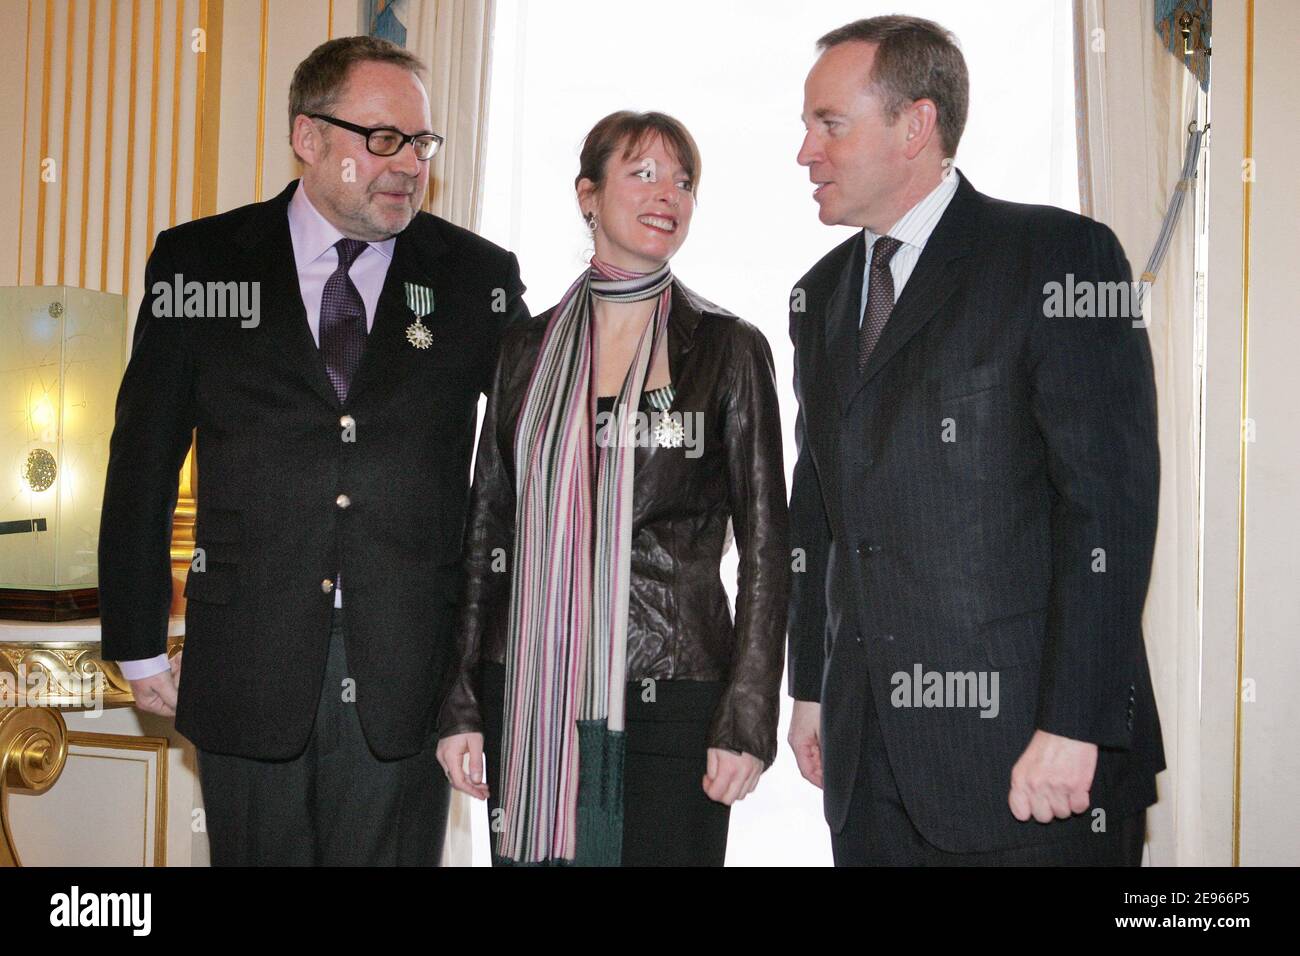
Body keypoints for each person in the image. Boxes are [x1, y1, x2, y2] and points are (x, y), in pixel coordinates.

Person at [98, 36, 528, 866]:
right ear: (307, 138)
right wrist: (138, 636)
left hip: (411, 670)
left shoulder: (478, 277)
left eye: (422, 143)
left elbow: (535, 444)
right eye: (382, 139)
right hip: (245, 665)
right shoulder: (201, 262)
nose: (407, 164)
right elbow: (141, 459)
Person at [786, 16, 1165, 865]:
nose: (804, 151)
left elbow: (1109, 505)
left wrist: (1076, 722)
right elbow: (817, 512)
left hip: (1034, 767)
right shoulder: (817, 295)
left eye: (828, 123)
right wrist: (809, 686)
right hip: (866, 776)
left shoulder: (1057, 257)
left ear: (915, 125)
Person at [436, 111, 789, 866]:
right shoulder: (524, 350)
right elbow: (487, 528)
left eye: (685, 180)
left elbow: (769, 548)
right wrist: (460, 697)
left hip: (675, 689)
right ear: (587, 196)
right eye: (645, 173)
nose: (670, 195)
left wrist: (748, 714)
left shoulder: (727, 348)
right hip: (527, 691)